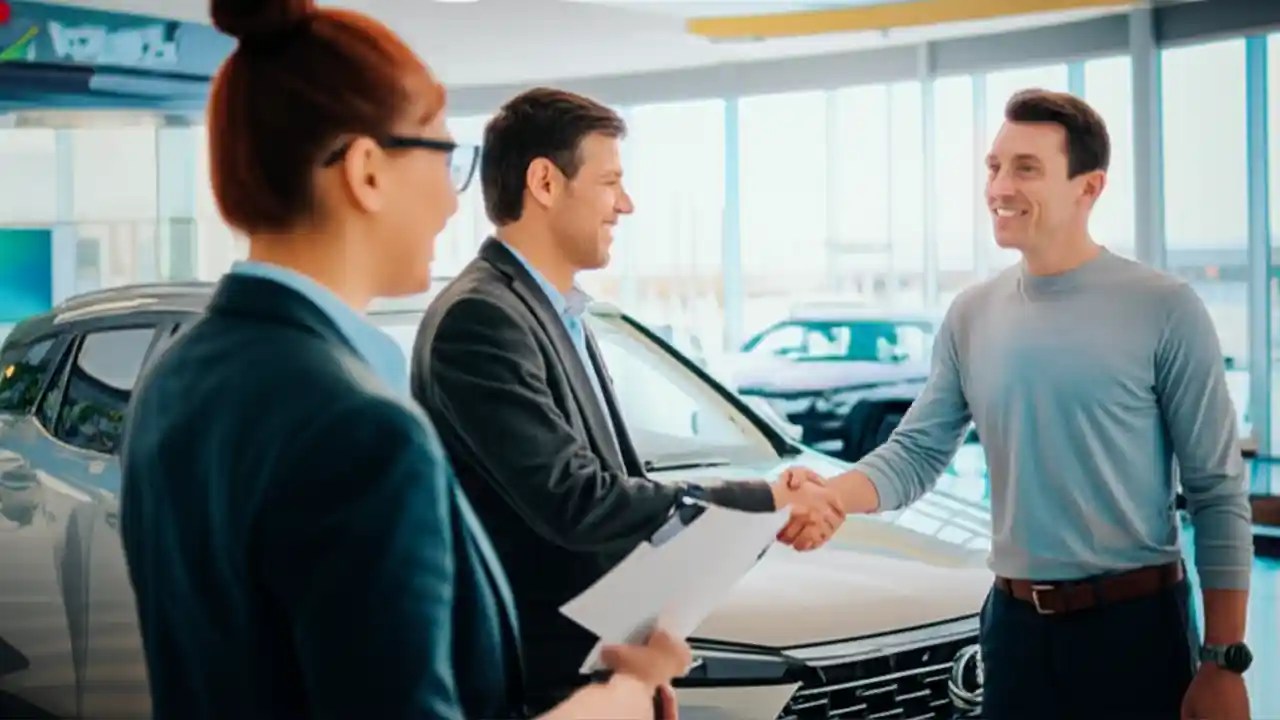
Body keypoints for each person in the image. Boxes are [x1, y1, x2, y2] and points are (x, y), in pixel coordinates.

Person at [117, 2, 692, 719]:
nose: (456, 206)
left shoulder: (172, 379)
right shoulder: (360, 427)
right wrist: (624, 698)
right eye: (445, 159)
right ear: (366, 171)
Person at [785, 88, 1255, 720]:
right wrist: (832, 496)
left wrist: (1223, 659)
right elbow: (917, 452)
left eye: (1025, 168)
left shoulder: (1164, 308)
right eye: (994, 166)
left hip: (1133, 632)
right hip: (1012, 631)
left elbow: (1216, 490)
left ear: (1088, 188)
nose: (1000, 186)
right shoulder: (972, 314)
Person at [409, 86, 846, 713]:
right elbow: (576, 499)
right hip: (532, 692)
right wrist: (768, 497)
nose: (626, 204)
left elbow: (618, 491)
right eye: (611, 181)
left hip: (597, 677)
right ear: (545, 182)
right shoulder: (481, 319)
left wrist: (641, 666)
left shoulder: (560, 315)